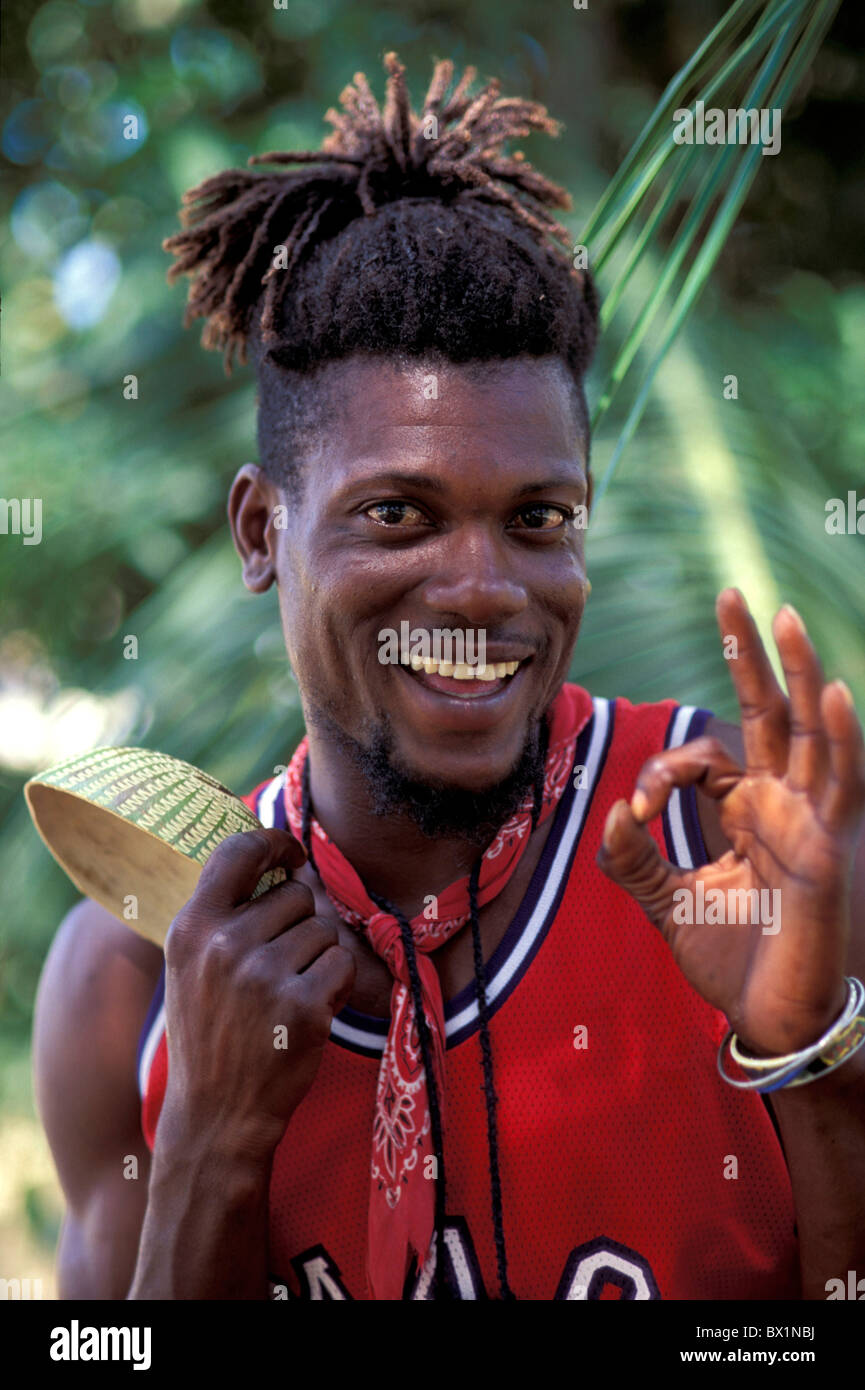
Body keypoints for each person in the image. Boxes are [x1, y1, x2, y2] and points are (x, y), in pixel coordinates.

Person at [34, 54, 865, 1302]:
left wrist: (813, 1058)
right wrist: (209, 1145)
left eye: (537, 518)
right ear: (262, 534)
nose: (483, 586)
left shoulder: (747, 851)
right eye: (397, 515)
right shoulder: (136, 971)